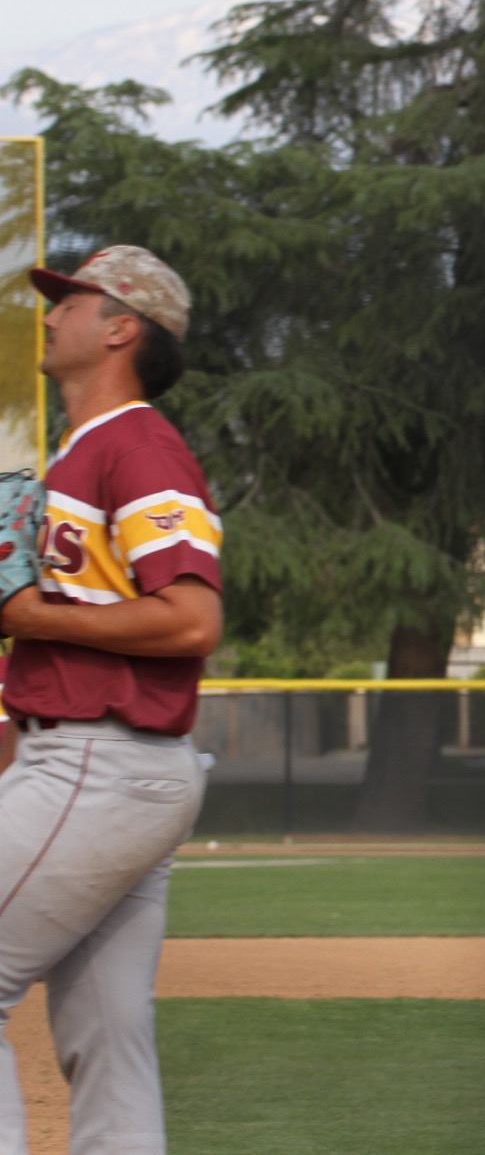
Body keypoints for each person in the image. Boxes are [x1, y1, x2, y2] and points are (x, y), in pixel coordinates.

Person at [0, 246, 222, 1154]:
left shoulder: (136, 445)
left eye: (72, 301)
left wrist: (29, 613)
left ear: (122, 328)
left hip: (100, 764)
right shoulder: (81, 452)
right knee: (107, 1035)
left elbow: (192, 619)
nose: (51, 314)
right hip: (100, 765)